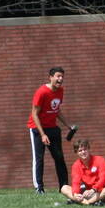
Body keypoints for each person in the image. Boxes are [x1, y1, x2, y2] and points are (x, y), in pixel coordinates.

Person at [29, 66, 74, 194]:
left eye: (62, 77)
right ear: (51, 77)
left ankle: (64, 187)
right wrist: (42, 134)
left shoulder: (60, 91)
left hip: (52, 128)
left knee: (59, 157)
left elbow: (57, 109)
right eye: (58, 76)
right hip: (37, 129)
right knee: (39, 159)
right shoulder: (42, 92)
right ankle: (39, 188)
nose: (60, 79)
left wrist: (67, 125)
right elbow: (34, 114)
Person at [61, 137, 105, 205]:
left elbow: (104, 178)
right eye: (80, 151)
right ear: (77, 152)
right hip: (86, 192)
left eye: (85, 149)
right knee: (64, 188)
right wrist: (75, 194)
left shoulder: (100, 160)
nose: (83, 152)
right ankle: (82, 200)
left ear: (88, 149)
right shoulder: (76, 165)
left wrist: (94, 189)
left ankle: (87, 202)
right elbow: (76, 182)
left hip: (100, 190)